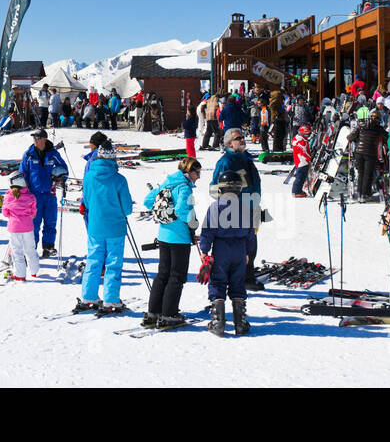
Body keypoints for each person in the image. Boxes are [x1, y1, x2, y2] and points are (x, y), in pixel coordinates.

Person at [141, 156, 201, 328]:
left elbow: (148, 201)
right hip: (179, 237)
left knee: (163, 274)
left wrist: (165, 214)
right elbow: (183, 210)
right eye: (197, 172)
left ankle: (153, 312)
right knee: (177, 275)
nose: (199, 176)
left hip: (163, 235)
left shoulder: (168, 183)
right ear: (190, 172)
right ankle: (169, 314)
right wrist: (193, 222)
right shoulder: (184, 188)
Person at [74, 142, 133, 313]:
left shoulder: (89, 177)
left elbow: (86, 200)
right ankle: (111, 299)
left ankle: (88, 295)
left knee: (94, 260)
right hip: (115, 227)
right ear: (112, 157)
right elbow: (127, 208)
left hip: (95, 226)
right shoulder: (119, 179)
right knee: (113, 263)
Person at [201, 170, 257, 336]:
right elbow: (250, 234)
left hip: (221, 249)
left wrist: (204, 249)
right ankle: (240, 323)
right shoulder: (245, 207)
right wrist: (248, 252)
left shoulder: (215, 207)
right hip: (239, 249)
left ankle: (218, 323)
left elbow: (207, 231)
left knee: (218, 282)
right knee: (237, 282)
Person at [210, 127, 263, 290]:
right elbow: (214, 188)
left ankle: (247, 275)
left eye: (242, 137)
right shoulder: (225, 162)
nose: (242, 140)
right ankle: (241, 278)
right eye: (238, 138)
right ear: (229, 144)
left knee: (251, 245)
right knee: (241, 246)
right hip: (237, 209)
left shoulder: (245, 158)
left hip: (251, 206)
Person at [20, 129, 69, 257]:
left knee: (50, 221)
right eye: (34, 138)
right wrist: (21, 190)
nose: (35, 140)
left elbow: (64, 169)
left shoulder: (53, 154)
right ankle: (31, 248)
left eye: (37, 137)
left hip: (49, 193)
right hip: (34, 195)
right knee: (34, 223)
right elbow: (23, 173)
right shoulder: (28, 155)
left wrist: (61, 178)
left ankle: (48, 247)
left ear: (44, 139)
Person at [2, 173, 39, 281]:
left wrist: (13, 217)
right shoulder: (31, 196)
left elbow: (5, 213)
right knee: (30, 249)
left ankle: (20, 274)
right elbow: (34, 213)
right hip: (28, 227)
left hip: (14, 228)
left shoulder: (8, 196)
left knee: (16, 251)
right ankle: (34, 271)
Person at [351, 110, 384, 200]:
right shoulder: (378, 128)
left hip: (359, 152)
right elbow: (386, 137)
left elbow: (351, 136)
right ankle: (364, 195)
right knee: (368, 174)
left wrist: (356, 140)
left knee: (361, 173)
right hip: (371, 153)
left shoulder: (360, 124)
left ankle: (359, 194)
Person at [290, 125, 312, 197]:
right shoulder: (301, 142)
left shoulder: (298, 139)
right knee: (300, 177)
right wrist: (310, 159)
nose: (308, 135)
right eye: (307, 134)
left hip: (300, 161)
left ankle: (298, 190)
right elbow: (304, 152)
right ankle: (296, 192)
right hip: (302, 162)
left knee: (300, 177)